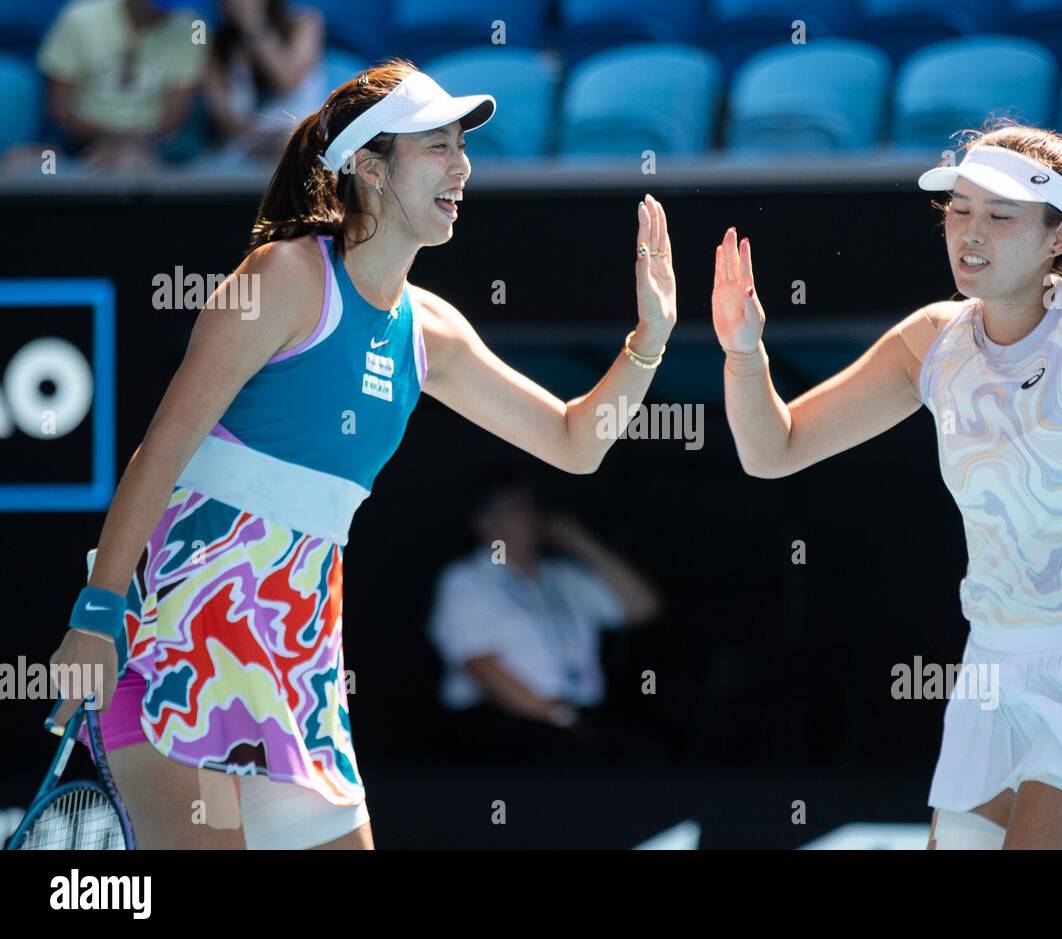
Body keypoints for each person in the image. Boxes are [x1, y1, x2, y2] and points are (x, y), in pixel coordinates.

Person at [47, 58, 677, 849]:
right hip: (180, 641)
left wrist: (647, 341)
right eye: (437, 147)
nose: (462, 167)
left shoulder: (432, 332)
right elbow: (158, 452)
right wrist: (96, 617)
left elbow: (575, 442)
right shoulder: (279, 278)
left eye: (462, 147)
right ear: (370, 167)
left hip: (302, 668)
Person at [711, 121, 1062, 849]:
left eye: (1000, 216)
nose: (970, 231)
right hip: (992, 674)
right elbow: (774, 449)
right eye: (960, 209)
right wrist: (745, 353)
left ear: (1057, 238)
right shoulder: (930, 343)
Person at [429, 469, 663, 764]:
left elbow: (644, 607)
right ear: (482, 520)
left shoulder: (563, 577)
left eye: (530, 507)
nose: (528, 517)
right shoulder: (466, 581)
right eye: (514, 508)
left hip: (578, 717)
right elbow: (480, 665)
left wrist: (582, 542)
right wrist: (557, 716)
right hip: (511, 725)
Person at [34, 0, 210, 172]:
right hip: (81, 142)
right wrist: (111, 138)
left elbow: (176, 112)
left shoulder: (191, 26)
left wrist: (135, 142)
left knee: (130, 161)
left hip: (157, 148)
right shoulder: (80, 16)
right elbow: (61, 108)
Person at [199, 0, 328, 167]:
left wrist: (254, 25)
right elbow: (225, 119)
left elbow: (287, 81)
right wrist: (261, 140)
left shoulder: (305, 22)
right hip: (248, 152)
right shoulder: (214, 44)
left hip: (301, 143)